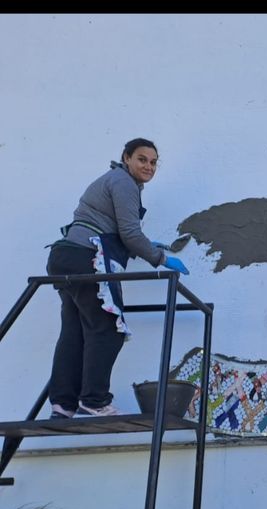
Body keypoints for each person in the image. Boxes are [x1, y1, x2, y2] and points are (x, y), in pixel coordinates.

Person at [46, 138, 189, 419]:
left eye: (153, 162)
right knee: (108, 328)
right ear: (126, 158)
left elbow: (116, 231)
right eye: (142, 159)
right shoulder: (124, 183)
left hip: (65, 257)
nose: (148, 166)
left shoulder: (113, 180)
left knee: (74, 331)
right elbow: (130, 234)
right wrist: (161, 259)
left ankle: (63, 404)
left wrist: (141, 246)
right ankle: (95, 400)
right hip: (86, 258)